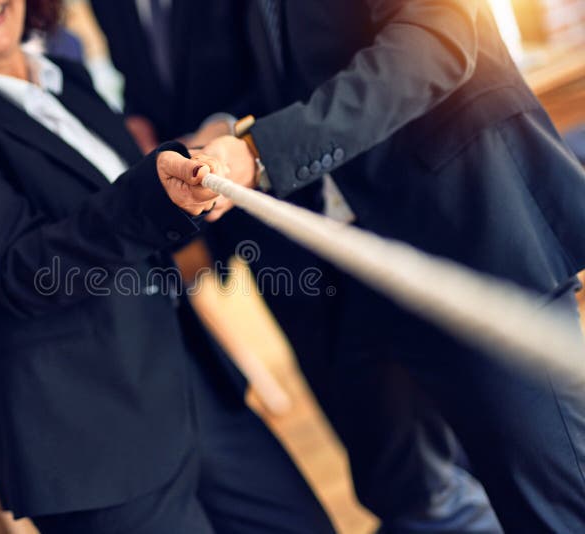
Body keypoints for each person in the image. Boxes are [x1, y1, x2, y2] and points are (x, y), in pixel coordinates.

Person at [0, 0, 336, 532]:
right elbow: (23, 268)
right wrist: (159, 196)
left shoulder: (69, 81)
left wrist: (201, 160)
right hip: (95, 443)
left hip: (194, 388)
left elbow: (119, 198)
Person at [91, 1, 502, 531]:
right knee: (376, 446)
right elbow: (145, 85)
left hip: (330, 197)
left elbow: (292, 63)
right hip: (264, 238)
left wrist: (223, 135)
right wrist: (140, 129)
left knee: (426, 452)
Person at [202, 0, 585, 531]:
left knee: (554, 504)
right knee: (437, 495)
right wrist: (223, 138)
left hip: (476, 239)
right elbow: (298, 78)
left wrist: (263, 151)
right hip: (377, 260)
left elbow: (435, 41)